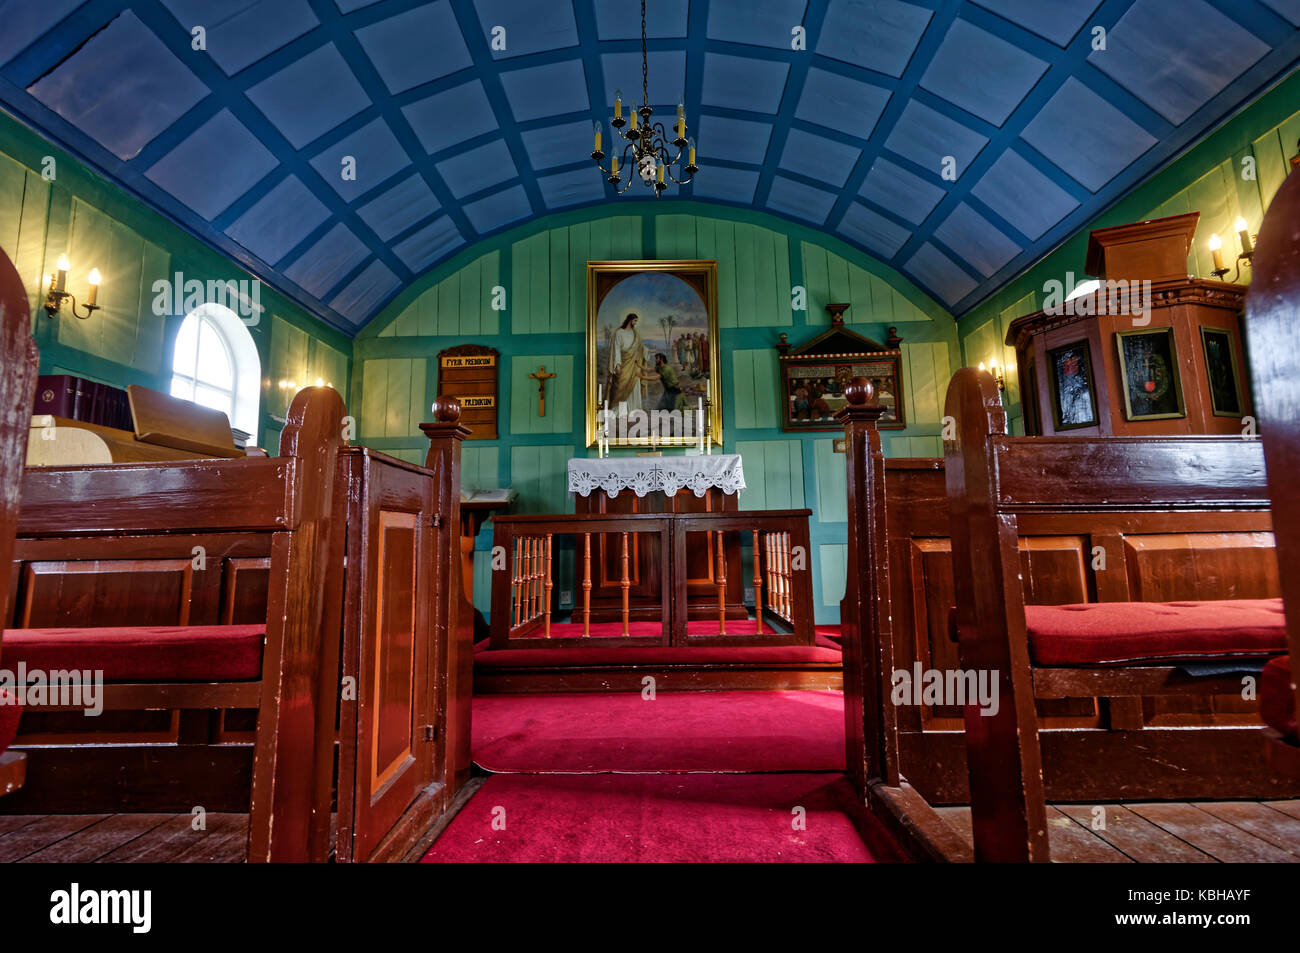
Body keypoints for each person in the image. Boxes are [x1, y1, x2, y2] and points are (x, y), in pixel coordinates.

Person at [607, 312, 646, 415]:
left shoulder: (635, 333)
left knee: (634, 386)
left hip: (634, 365)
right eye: (635, 321)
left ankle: (634, 409)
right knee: (621, 386)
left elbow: (640, 347)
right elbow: (616, 349)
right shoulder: (619, 333)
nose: (635, 323)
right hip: (623, 363)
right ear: (630, 320)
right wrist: (617, 364)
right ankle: (621, 411)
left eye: (636, 321)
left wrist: (648, 351)